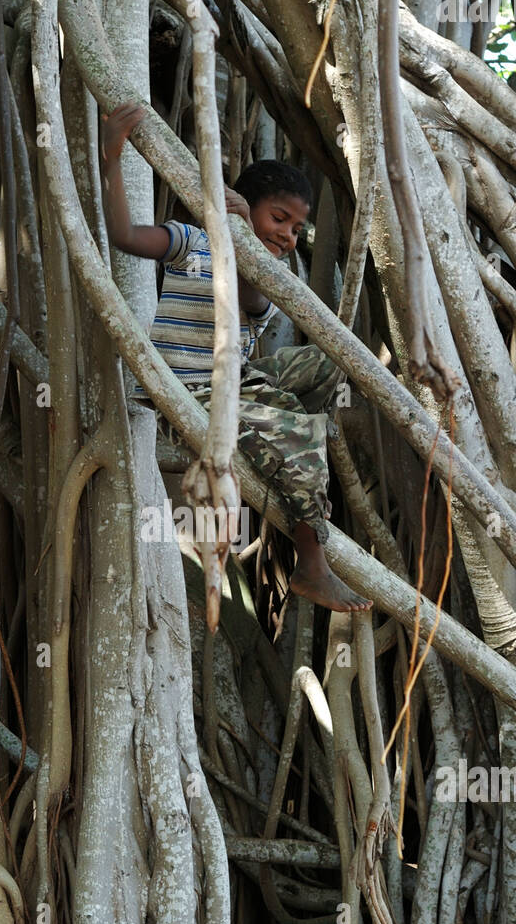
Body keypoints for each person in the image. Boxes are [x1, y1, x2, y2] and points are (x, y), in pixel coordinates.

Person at [101, 101, 372, 613]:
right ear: (240, 205)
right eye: (278, 218)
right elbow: (125, 236)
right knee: (302, 436)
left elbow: (249, 298)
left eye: (296, 229)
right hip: (196, 389)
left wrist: (247, 241)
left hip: (242, 378)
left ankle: (280, 433)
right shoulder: (192, 242)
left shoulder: (273, 274)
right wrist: (111, 157)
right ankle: (311, 564)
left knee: (343, 359)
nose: (287, 236)